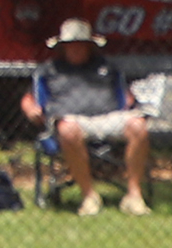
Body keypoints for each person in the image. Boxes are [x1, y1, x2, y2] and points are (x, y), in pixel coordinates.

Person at [20, 19, 151, 217]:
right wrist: (31, 109)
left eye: (80, 45)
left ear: (89, 46)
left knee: (139, 126)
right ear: (62, 48)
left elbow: (127, 96)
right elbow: (29, 98)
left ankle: (134, 196)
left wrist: (132, 103)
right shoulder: (50, 70)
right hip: (71, 121)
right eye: (71, 46)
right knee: (67, 129)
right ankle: (89, 196)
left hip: (110, 117)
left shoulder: (107, 67)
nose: (76, 49)